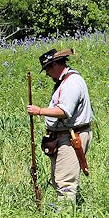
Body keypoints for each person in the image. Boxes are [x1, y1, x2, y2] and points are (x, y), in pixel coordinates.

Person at [27, 48, 93, 202]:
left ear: (56, 65)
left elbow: (65, 111)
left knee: (65, 182)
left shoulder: (72, 82)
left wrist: (39, 111)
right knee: (59, 178)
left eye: (48, 69)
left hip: (71, 136)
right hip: (63, 136)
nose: (47, 74)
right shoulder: (64, 82)